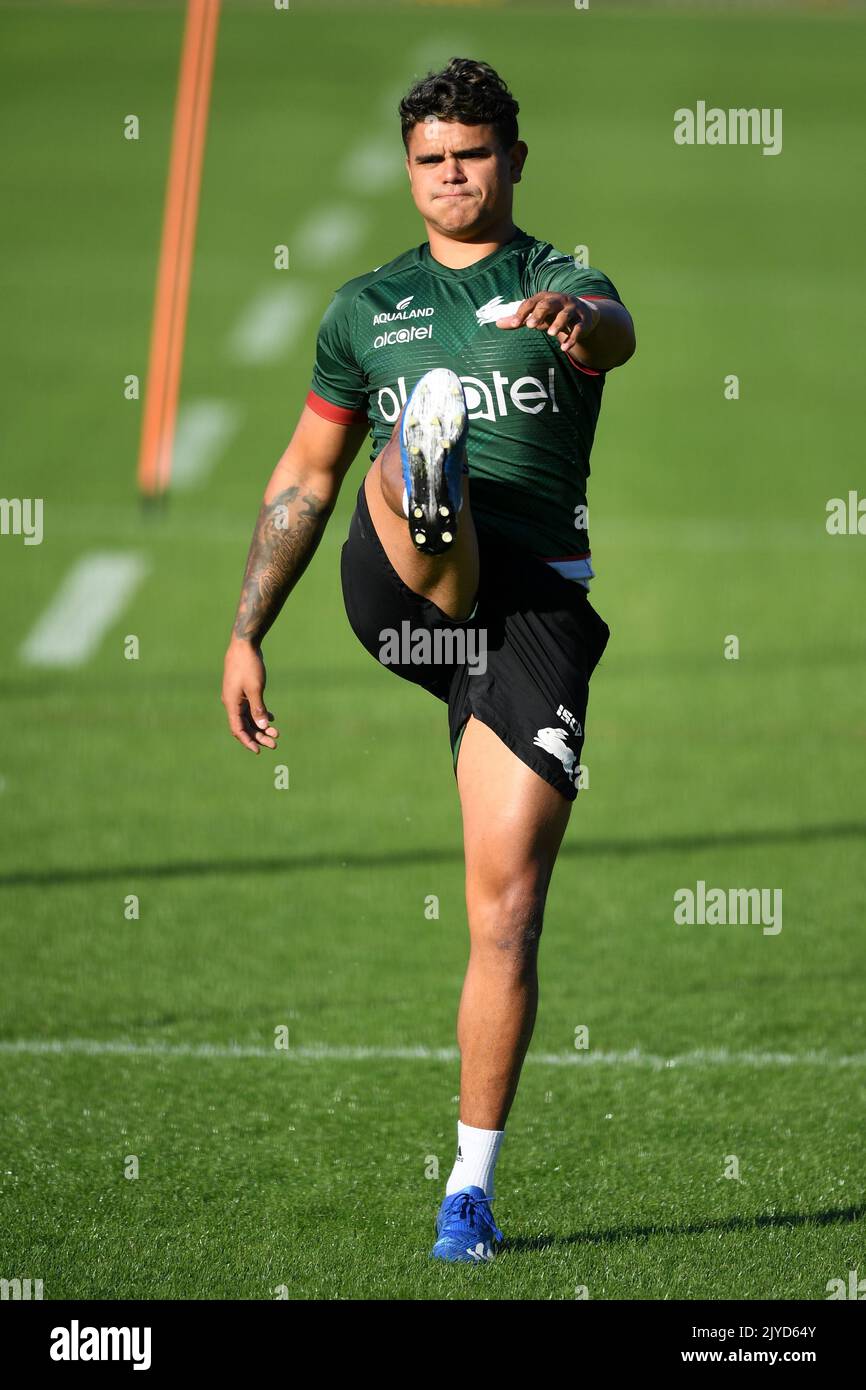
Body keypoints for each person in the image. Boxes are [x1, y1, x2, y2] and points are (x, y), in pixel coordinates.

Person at [221, 57, 635, 1263]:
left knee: (505, 909)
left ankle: (468, 1190)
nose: (451, 177)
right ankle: (427, 464)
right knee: (399, 463)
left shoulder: (557, 279)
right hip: (397, 586)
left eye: (471, 155)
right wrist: (247, 629)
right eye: (430, 161)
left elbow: (613, 333)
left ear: (512, 158)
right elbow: (305, 478)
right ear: (411, 169)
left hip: (529, 615)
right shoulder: (365, 308)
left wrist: (579, 326)